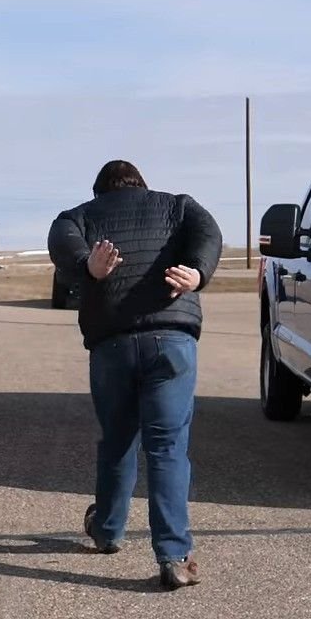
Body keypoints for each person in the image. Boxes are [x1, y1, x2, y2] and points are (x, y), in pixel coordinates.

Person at [47, 160, 222, 590]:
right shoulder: (178, 206)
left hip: (112, 344)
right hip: (171, 339)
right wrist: (197, 272)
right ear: (142, 185)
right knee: (166, 447)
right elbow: (209, 232)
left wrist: (89, 266)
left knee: (118, 439)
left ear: (100, 191)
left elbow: (61, 241)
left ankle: (107, 531)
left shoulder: (80, 215)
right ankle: (175, 556)